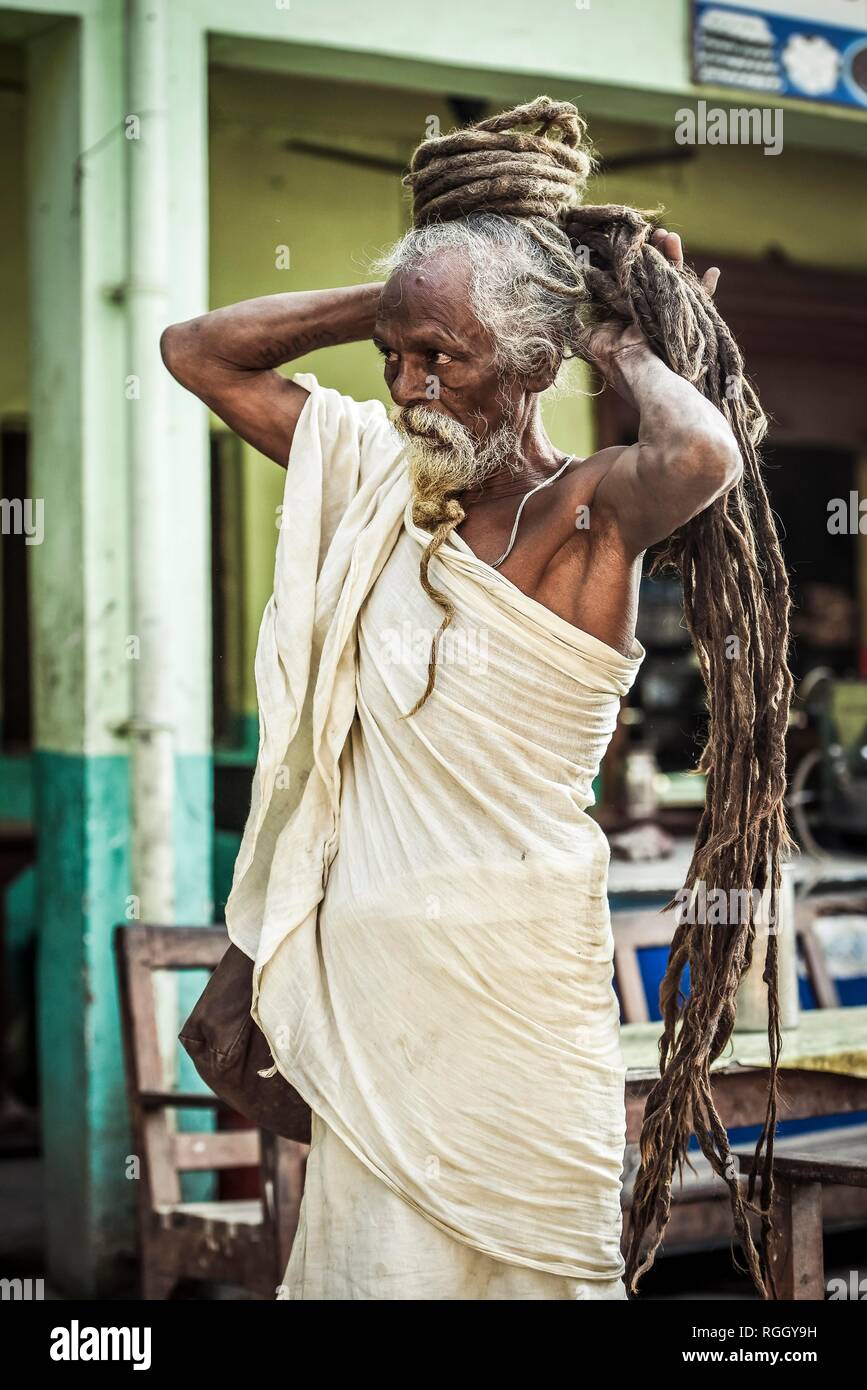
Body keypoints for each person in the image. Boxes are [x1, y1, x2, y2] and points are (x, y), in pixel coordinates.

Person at [161, 98, 792, 1300]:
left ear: (537, 362)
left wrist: (624, 341)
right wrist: (418, 284)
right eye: (394, 356)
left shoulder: (591, 512)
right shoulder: (376, 484)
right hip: (370, 1004)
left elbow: (704, 457)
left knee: (535, 1269)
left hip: (514, 991)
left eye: (441, 356)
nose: (407, 385)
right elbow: (198, 351)